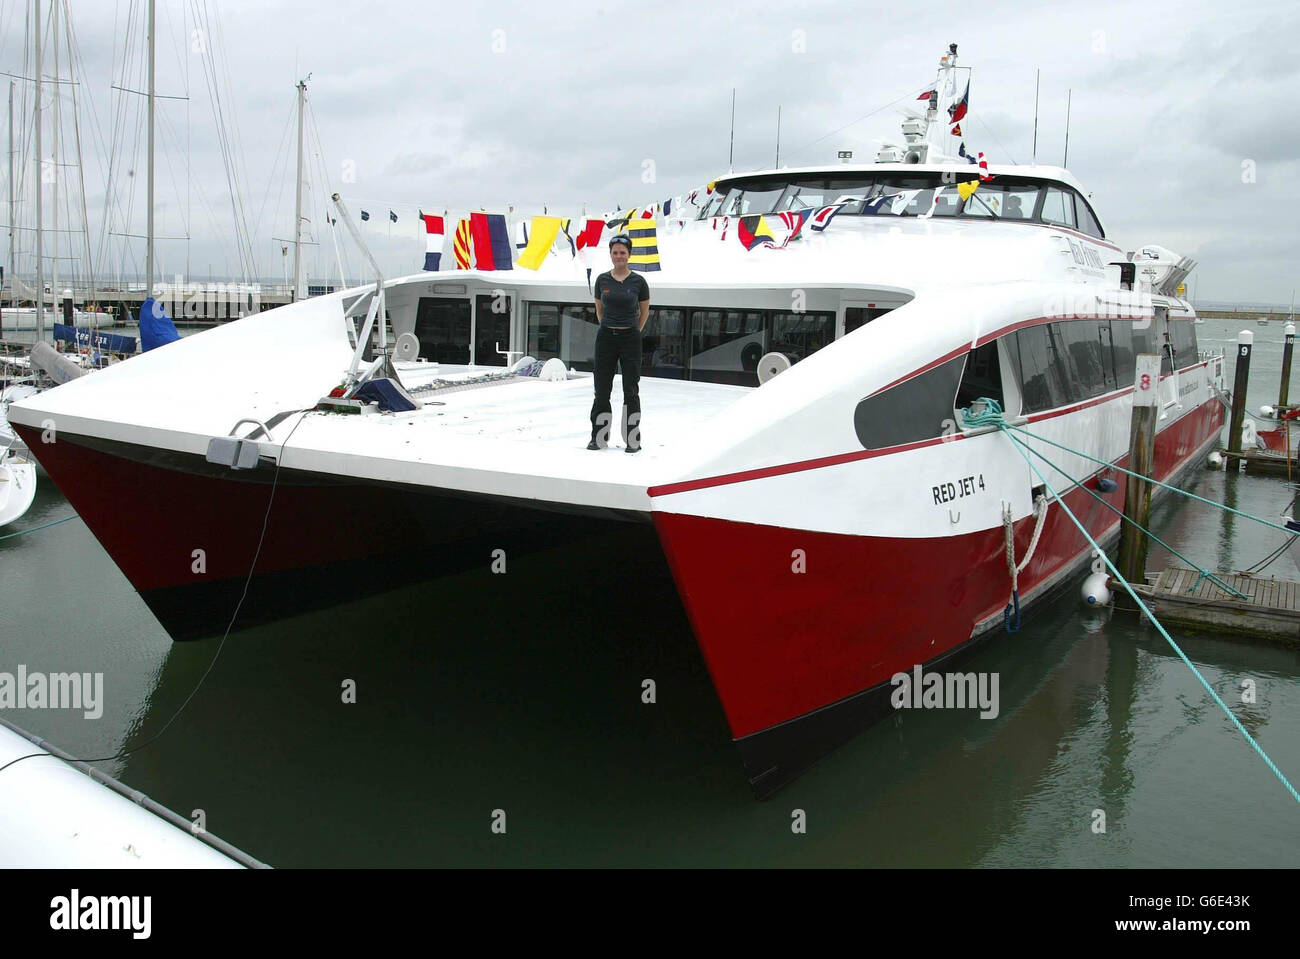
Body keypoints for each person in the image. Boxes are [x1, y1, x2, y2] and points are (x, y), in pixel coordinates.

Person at [589, 233, 650, 452]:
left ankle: (633, 439)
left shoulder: (638, 282)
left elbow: (644, 312)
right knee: (602, 389)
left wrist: (633, 331)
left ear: (629, 254)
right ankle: (599, 437)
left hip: (630, 339)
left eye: (622, 253)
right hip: (606, 337)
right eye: (615, 253)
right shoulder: (602, 280)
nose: (619, 256)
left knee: (631, 390)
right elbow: (599, 310)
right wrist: (610, 326)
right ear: (611, 255)